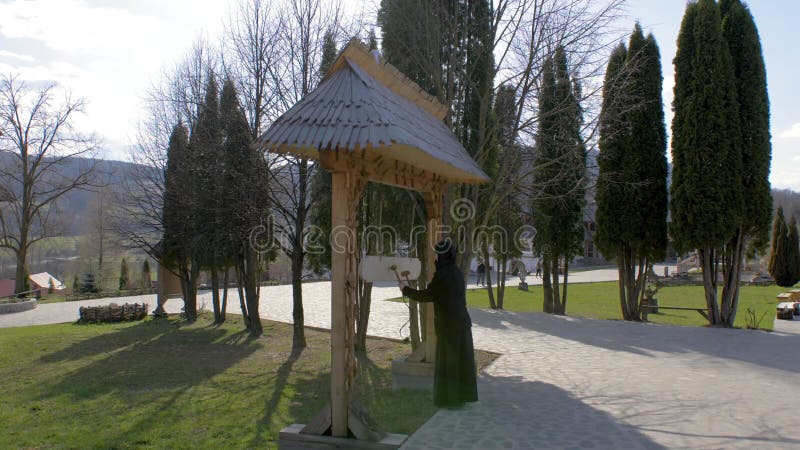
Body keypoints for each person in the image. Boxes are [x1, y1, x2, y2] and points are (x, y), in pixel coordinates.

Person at [401, 241, 478, 408]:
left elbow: (427, 296)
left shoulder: (442, 275)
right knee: (461, 361)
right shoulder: (456, 272)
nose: (435, 257)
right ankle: (461, 397)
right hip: (462, 323)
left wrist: (406, 290)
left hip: (449, 326)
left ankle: (451, 400)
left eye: (437, 254)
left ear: (442, 256)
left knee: (450, 363)